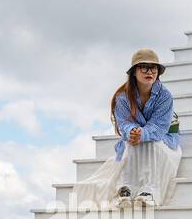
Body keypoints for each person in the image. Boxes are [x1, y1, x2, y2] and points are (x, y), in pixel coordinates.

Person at [72, 48, 181, 209]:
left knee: (150, 143)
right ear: (134, 72)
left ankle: (149, 191)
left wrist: (142, 133)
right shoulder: (122, 97)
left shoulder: (165, 96)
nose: (149, 71)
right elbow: (124, 123)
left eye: (154, 67)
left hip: (163, 139)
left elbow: (159, 127)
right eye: (143, 66)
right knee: (132, 142)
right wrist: (133, 132)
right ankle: (126, 188)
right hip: (133, 139)